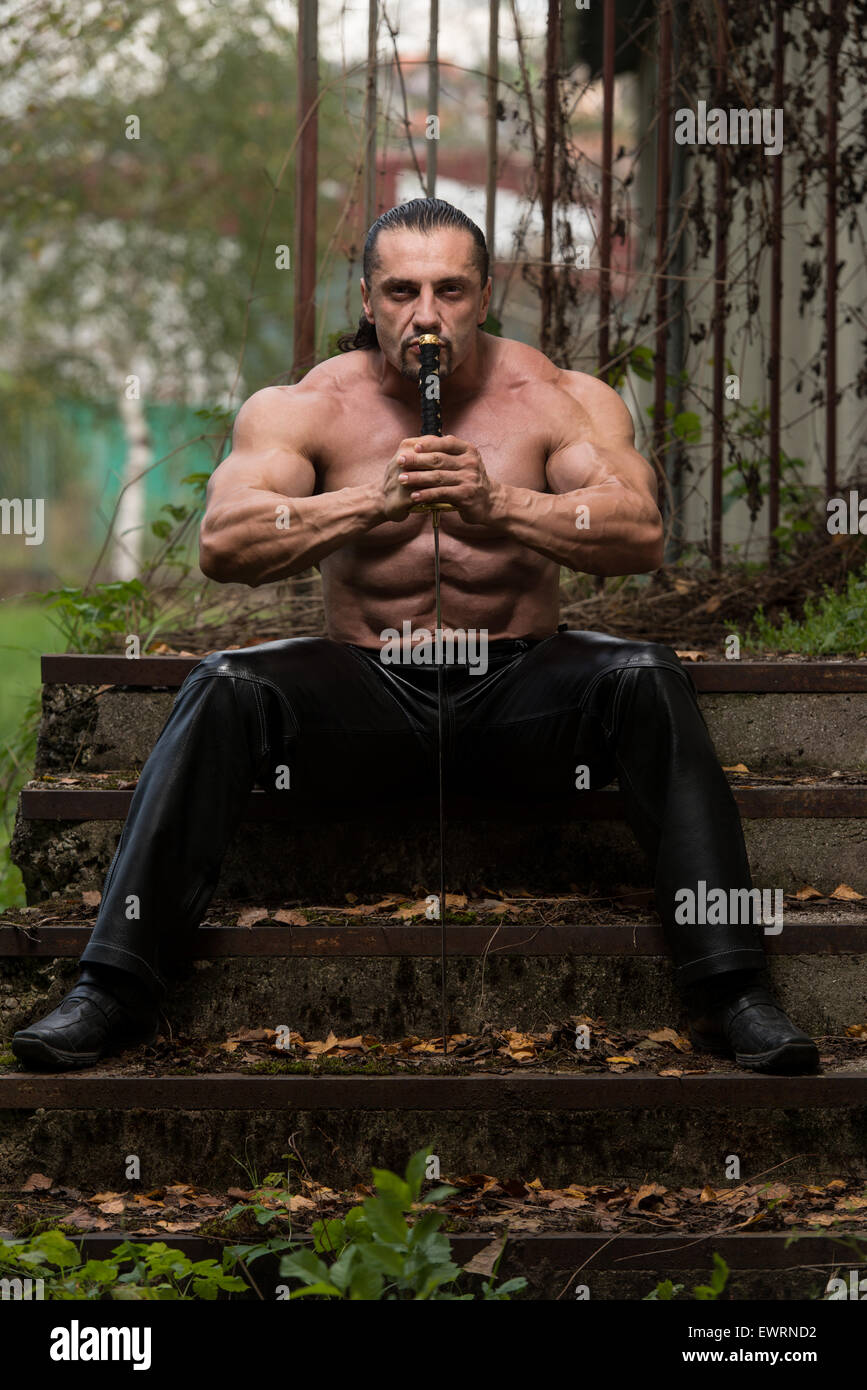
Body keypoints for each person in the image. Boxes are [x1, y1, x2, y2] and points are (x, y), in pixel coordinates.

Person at [13, 198, 818, 1074]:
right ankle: (111, 989)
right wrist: (373, 502)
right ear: (367, 298)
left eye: (449, 289)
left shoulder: (555, 397)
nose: (425, 315)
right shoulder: (309, 405)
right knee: (224, 680)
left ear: (481, 297)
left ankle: (734, 991)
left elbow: (637, 533)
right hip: (368, 696)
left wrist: (497, 503)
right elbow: (225, 544)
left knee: (644, 673)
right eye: (401, 290)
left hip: (524, 701)